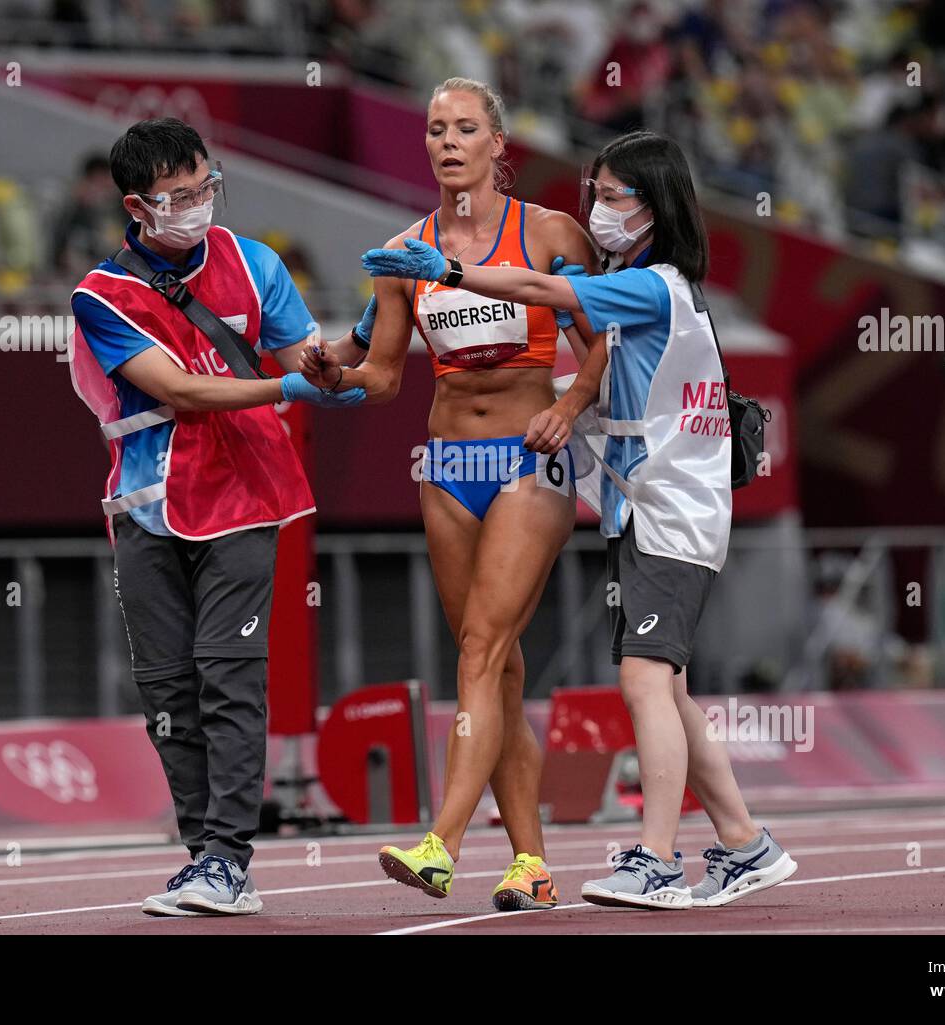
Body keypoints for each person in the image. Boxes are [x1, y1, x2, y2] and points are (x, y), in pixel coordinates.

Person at [361, 130, 797, 909]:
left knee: (643, 681)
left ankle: (657, 859)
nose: (595, 209)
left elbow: (546, 295)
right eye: (592, 192)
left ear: (654, 208)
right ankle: (743, 841)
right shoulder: (650, 285)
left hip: (673, 513)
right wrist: (567, 403)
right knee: (675, 690)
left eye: (611, 196)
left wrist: (452, 270)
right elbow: (600, 377)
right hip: (654, 507)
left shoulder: (653, 284)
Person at [301, 77, 604, 911]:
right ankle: (533, 864)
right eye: (437, 128)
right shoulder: (405, 252)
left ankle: (444, 841)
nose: (448, 141)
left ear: (498, 145)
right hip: (447, 469)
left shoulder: (546, 233)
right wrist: (337, 372)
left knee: (477, 650)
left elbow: (608, 333)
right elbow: (386, 376)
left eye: (466, 127)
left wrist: (571, 406)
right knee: (495, 668)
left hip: (526, 461)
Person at [67, 117, 367, 917]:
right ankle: (203, 853)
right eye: (180, 194)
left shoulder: (254, 261)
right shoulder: (101, 295)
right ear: (137, 204)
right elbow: (181, 391)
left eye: (206, 185)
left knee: (227, 677)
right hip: (145, 499)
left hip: (244, 491)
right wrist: (287, 389)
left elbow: (310, 355)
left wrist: (350, 351)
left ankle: (228, 859)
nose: (200, 203)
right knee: (166, 688)